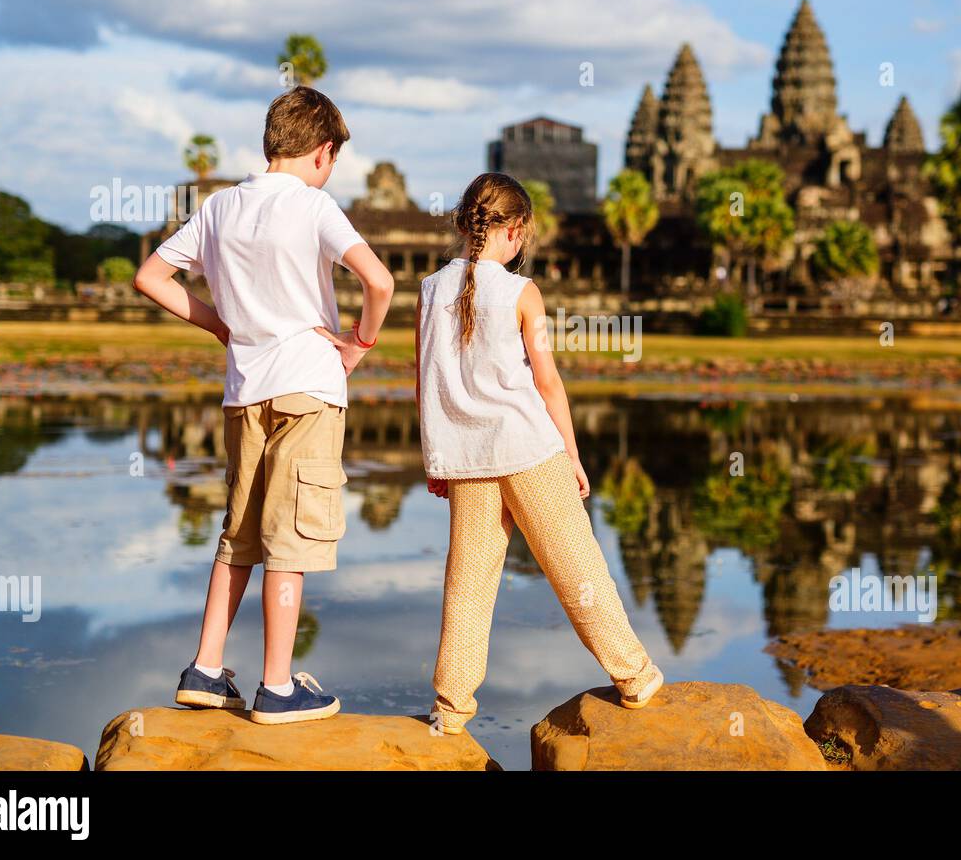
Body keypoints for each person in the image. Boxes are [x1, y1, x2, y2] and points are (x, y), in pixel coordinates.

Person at [133, 86, 394, 724]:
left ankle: (206, 667)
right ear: (323, 151)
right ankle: (277, 687)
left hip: (243, 392)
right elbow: (379, 280)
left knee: (238, 534)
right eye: (333, 159)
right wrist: (360, 343)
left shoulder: (221, 205)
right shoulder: (314, 205)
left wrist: (220, 325)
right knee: (291, 539)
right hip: (308, 387)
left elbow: (149, 278)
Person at [416, 172, 663, 735]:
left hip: (469, 459)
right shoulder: (522, 292)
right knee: (577, 569)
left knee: (468, 586)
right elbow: (548, 383)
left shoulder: (429, 291)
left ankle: (451, 711)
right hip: (529, 450)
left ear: (462, 223)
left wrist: (438, 460)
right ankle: (634, 676)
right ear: (518, 231)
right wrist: (573, 455)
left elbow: (423, 383)